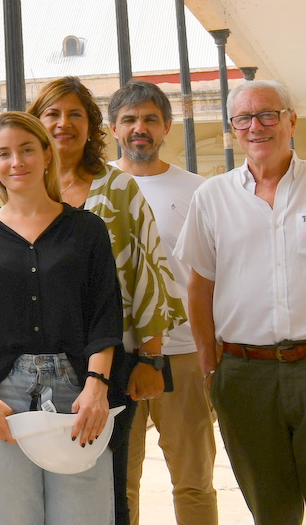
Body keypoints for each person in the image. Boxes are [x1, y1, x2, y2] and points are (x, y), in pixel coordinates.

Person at [174, 79, 306, 525]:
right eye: (243, 118)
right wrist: (211, 368)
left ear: (292, 121)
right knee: (271, 514)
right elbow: (199, 287)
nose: (256, 126)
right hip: (244, 377)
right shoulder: (211, 198)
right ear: (233, 128)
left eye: (268, 115)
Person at [0, 111, 122, 525]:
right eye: (4, 153)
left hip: (78, 392)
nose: (17, 161)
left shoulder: (87, 230)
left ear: (47, 154)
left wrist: (97, 387)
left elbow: (105, 317)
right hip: (1, 395)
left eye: (27, 149)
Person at [31, 76, 183, 525]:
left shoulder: (118, 188)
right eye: (52, 114)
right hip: (35, 361)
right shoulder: (21, 187)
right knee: (46, 485)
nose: (63, 123)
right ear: (36, 122)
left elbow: (148, 270)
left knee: (110, 485)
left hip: (111, 357)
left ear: (92, 125)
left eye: (75, 114)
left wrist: (151, 358)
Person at [107, 81, 215, 525]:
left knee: (194, 481)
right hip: (115, 355)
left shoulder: (198, 190)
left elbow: (213, 273)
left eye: (150, 119)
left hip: (183, 352)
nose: (140, 128)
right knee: (118, 485)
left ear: (167, 126)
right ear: (113, 128)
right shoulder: (97, 188)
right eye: (129, 120)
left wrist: (212, 350)